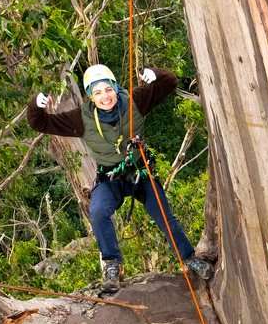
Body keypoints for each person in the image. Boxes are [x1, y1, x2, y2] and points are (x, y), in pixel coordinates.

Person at [28, 63, 213, 292]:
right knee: (98, 211)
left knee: (164, 215)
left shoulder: (134, 101)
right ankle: (112, 264)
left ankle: (189, 258)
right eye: (97, 93)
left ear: (115, 88)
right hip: (110, 178)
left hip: (140, 172)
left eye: (107, 89)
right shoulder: (81, 118)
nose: (105, 97)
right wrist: (36, 104)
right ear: (90, 97)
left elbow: (169, 82)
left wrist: (154, 72)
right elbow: (40, 123)